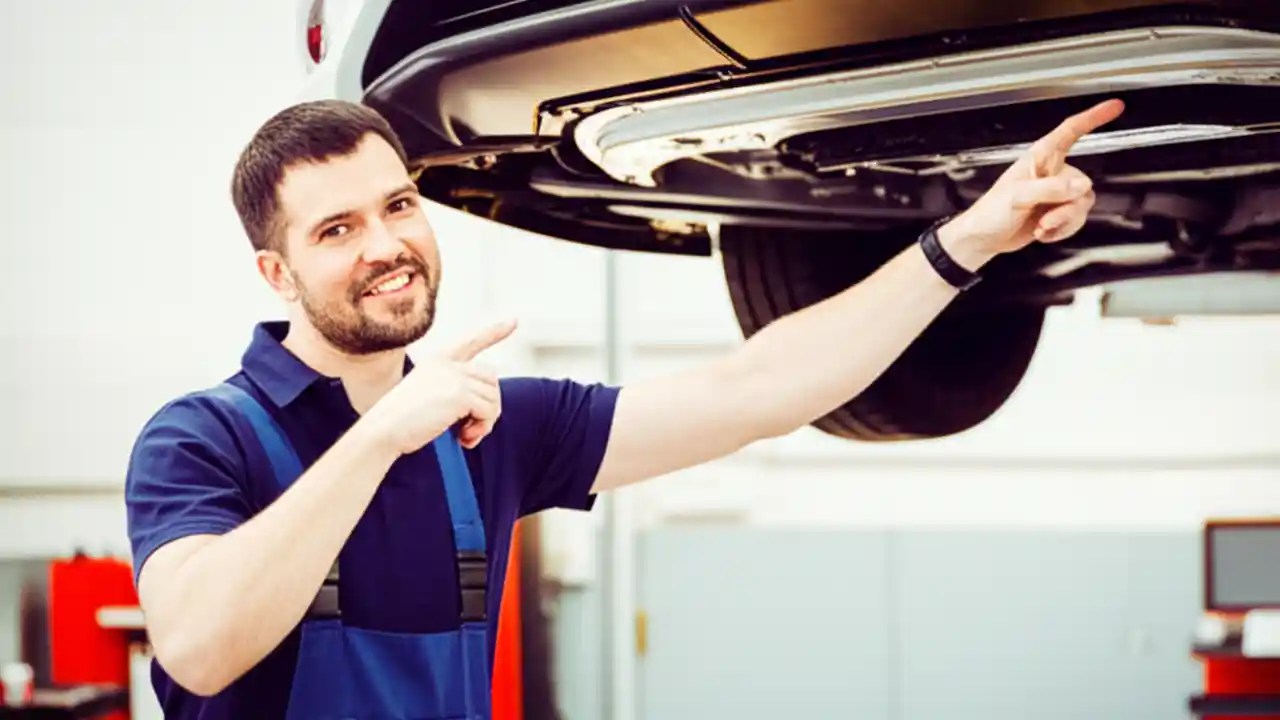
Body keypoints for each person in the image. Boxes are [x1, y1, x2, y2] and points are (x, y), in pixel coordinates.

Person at [124, 97, 1125, 719]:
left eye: (396, 206)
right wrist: (382, 430)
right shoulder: (201, 439)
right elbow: (201, 646)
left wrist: (970, 241)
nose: (385, 243)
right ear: (276, 270)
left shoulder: (492, 428)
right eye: (336, 228)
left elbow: (759, 390)